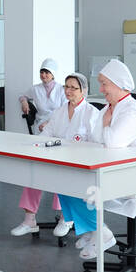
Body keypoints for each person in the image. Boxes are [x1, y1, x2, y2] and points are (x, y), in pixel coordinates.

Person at [54, 59, 136, 259]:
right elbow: (97, 139)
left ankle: (101, 233)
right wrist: (106, 126)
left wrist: (106, 126)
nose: (101, 88)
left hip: (134, 172)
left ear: (118, 84)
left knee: (81, 184)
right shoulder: (108, 108)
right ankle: (93, 231)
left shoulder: (133, 110)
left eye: (104, 83)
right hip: (109, 165)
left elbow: (113, 142)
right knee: (63, 180)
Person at [10, 72, 101, 236]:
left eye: (74, 88)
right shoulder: (59, 111)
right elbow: (48, 132)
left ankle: (66, 217)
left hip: (80, 163)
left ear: (83, 91)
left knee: (63, 175)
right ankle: (29, 219)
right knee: (34, 172)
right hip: (58, 156)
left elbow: (96, 143)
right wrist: (34, 146)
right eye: (67, 86)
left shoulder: (91, 113)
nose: (69, 91)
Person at [19, 58, 65, 133]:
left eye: (47, 73)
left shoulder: (61, 89)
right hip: (41, 124)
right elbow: (22, 95)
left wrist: (49, 123)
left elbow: (65, 110)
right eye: (42, 72)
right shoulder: (35, 89)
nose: (43, 75)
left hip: (57, 123)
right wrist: (24, 102)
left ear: (53, 74)